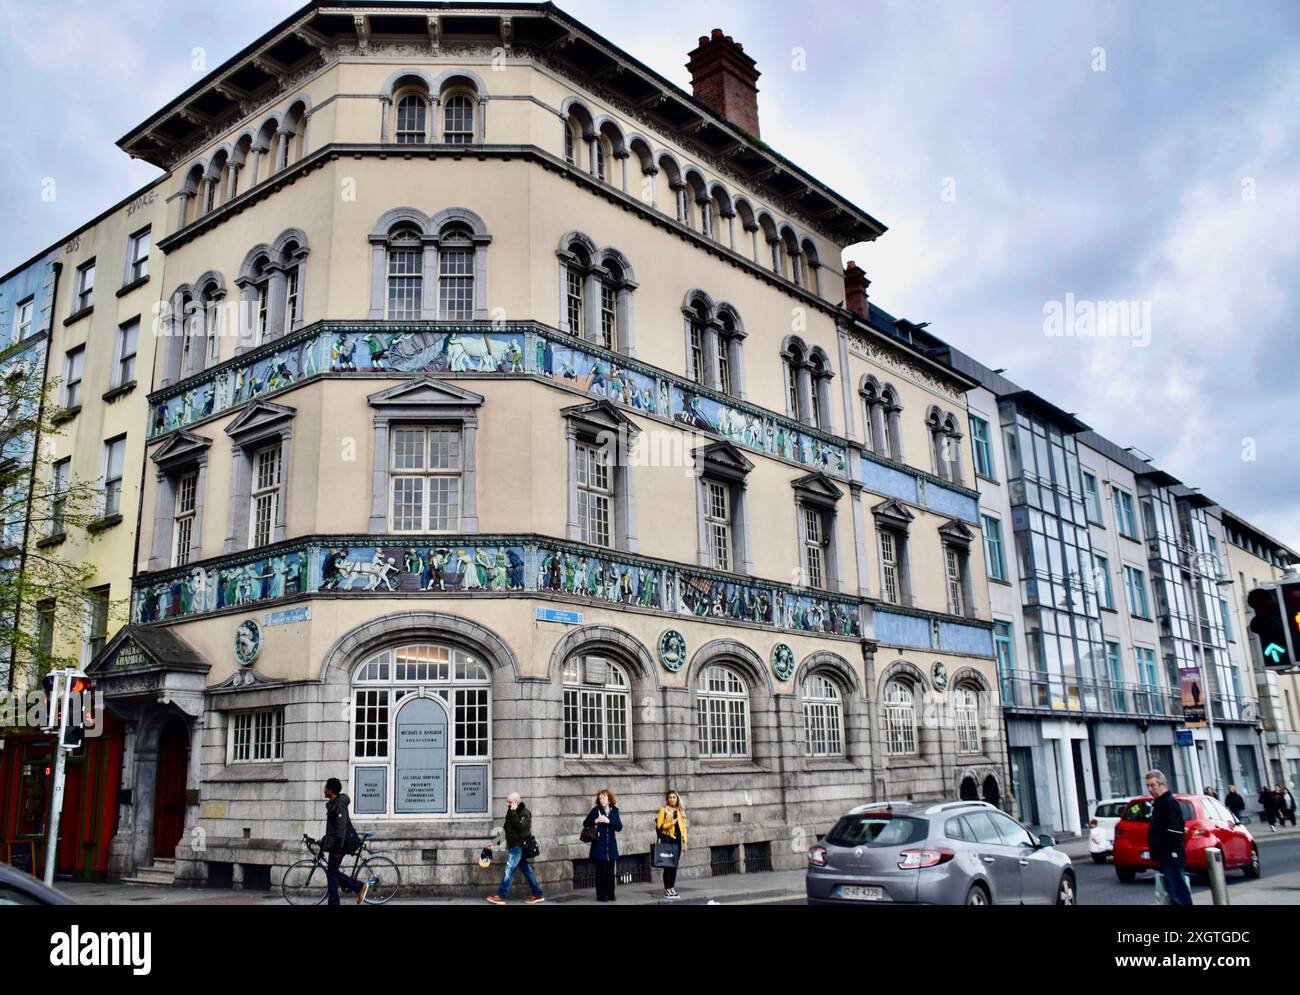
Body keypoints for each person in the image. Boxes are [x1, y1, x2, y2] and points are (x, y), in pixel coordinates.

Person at [486, 792, 544, 905]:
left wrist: (513, 811)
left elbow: (521, 827)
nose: (507, 804)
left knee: (510, 868)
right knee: (526, 870)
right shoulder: (510, 812)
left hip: (519, 846)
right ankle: (538, 893)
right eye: (507, 802)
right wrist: (494, 843)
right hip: (513, 845)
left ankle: (501, 896)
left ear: (516, 802)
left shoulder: (525, 813)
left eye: (509, 802)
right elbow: (505, 830)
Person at [1145, 769, 1191, 906]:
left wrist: (1167, 851)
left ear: (1162, 784)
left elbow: (1176, 832)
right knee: (1173, 893)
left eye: (1152, 785)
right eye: (1147, 786)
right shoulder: (1160, 803)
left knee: (1179, 895)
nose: (1149, 789)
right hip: (1166, 856)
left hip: (1171, 856)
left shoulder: (1169, 803)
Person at [320, 777, 369, 906]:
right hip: (337, 843)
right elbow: (333, 829)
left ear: (330, 790)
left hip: (341, 844)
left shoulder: (339, 805)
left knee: (332, 873)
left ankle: (358, 887)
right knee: (332, 873)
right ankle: (354, 889)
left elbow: (341, 829)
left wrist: (337, 849)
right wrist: (324, 839)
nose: (324, 789)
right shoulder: (333, 804)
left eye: (326, 787)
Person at [583, 788, 623, 902]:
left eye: (604, 797)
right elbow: (585, 823)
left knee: (610, 873)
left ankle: (611, 894)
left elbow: (619, 827)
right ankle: (601, 896)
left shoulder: (615, 811)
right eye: (600, 798)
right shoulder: (595, 810)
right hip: (598, 847)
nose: (601, 800)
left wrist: (608, 821)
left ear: (609, 799)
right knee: (600, 873)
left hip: (611, 847)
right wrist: (596, 820)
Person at [655, 789, 689, 900]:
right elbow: (659, 826)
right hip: (668, 840)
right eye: (670, 797)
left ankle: (672, 888)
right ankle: (667, 890)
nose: (672, 799)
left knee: (674, 866)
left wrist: (685, 842)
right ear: (667, 799)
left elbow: (683, 829)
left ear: (677, 799)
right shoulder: (663, 810)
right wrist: (671, 823)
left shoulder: (680, 811)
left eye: (674, 797)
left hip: (677, 841)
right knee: (668, 866)